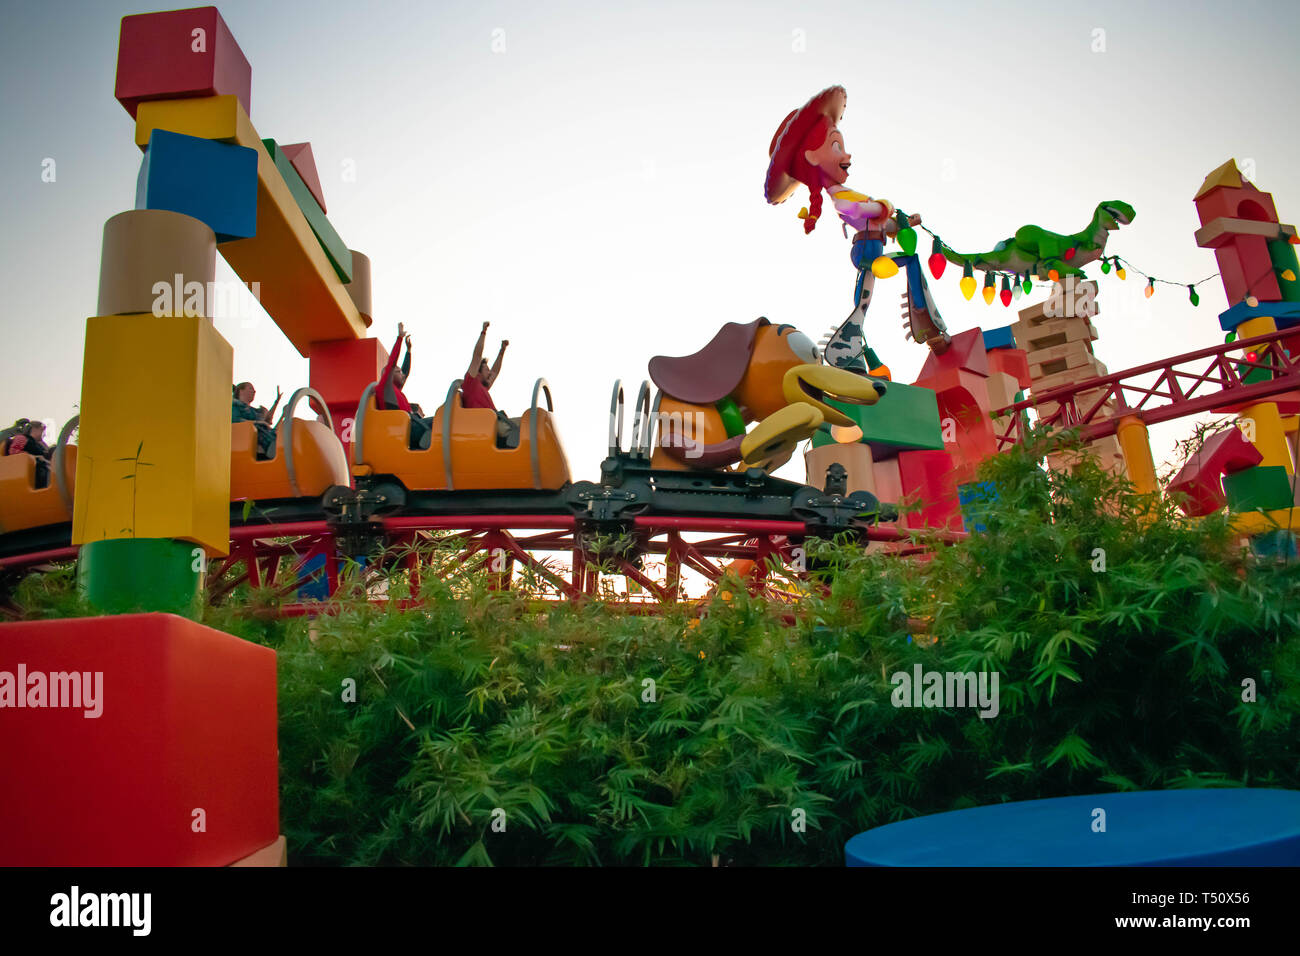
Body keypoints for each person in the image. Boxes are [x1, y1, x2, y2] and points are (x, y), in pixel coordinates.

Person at [764, 85, 938, 379]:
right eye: (836, 147)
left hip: (874, 248)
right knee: (864, 300)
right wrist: (883, 206)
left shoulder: (850, 192)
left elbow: (884, 222)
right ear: (813, 157)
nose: (846, 155)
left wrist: (904, 223)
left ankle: (921, 322)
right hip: (866, 252)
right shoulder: (841, 197)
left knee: (895, 274)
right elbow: (860, 213)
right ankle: (846, 347)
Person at [376, 322, 434, 449]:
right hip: (405, 430)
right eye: (398, 371)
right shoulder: (385, 388)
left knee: (443, 419)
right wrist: (399, 338)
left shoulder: (396, 390)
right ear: (389, 375)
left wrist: (408, 352)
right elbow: (392, 362)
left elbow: (405, 371)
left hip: (413, 425)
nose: (402, 374)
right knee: (440, 421)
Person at [461, 321, 517, 447]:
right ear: (478, 373)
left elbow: (495, 371)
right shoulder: (471, 384)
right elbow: (477, 356)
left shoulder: (483, 386)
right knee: (513, 432)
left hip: (497, 420)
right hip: (486, 425)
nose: (490, 373)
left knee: (525, 425)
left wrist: (502, 351)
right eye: (487, 370)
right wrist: (483, 332)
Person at [232, 382, 280, 460]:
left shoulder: (255, 411)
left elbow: (267, 422)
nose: (254, 391)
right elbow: (235, 420)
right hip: (250, 440)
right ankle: (275, 447)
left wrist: (276, 402)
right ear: (241, 391)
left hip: (266, 435)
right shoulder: (235, 406)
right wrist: (258, 423)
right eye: (250, 388)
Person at [5, 420, 54, 488]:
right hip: (29, 472)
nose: (44, 434)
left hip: (43, 467)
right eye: (41, 431)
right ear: (34, 429)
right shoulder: (22, 438)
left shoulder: (40, 444)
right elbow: (13, 452)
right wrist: (34, 457)